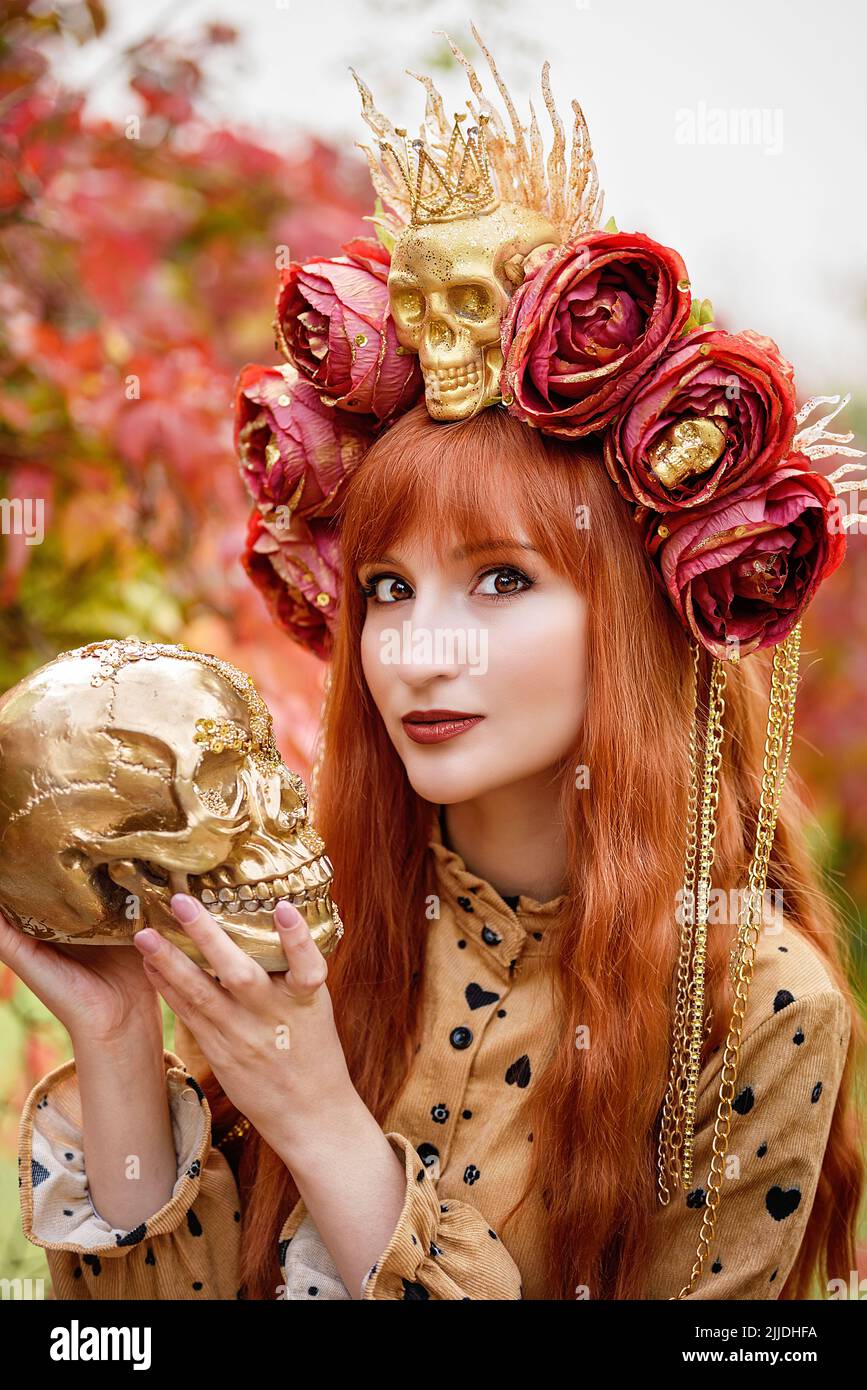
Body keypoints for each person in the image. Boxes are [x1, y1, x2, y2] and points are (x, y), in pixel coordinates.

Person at [5, 27, 866, 1303]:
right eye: (388, 589)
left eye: (502, 580)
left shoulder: (754, 1007)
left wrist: (326, 1126)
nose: (417, 647)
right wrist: (126, 1036)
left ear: (633, 620)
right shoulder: (313, 923)